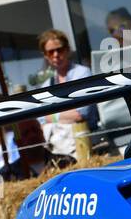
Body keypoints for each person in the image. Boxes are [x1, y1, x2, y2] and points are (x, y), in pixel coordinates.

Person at [35, 29, 98, 167]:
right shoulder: (47, 84)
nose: (56, 55)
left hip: (83, 141)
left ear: (68, 50)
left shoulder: (82, 73)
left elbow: (81, 114)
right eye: (50, 52)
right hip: (58, 149)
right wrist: (64, 115)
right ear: (46, 56)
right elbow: (40, 119)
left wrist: (53, 116)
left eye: (60, 50)